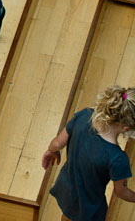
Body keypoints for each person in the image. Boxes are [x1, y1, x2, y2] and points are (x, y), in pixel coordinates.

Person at [42, 85, 135, 220]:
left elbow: (56, 144)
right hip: (90, 208)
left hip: (68, 192)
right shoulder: (117, 158)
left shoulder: (84, 115)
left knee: (68, 216)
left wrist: (51, 151)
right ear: (126, 128)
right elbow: (121, 192)